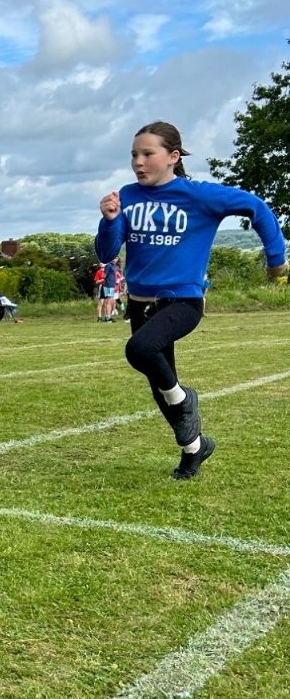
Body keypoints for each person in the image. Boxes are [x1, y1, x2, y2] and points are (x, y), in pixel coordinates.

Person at [96, 119, 286, 480]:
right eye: (134, 154)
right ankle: (195, 450)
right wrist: (108, 220)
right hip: (139, 302)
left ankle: (185, 401)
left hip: (182, 301)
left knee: (140, 351)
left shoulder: (199, 195)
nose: (138, 162)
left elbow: (257, 207)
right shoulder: (127, 196)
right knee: (159, 390)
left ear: (173, 156)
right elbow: (107, 253)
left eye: (147, 154)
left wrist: (276, 259)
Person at [100, 257, 120, 322]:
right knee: (109, 301)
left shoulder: (114, 266)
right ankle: (108, 318)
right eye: (113, 258)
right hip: (108, 285)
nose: (114, 260)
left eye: (116, 258)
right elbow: (103, 276)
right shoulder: (108, 265)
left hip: (112, 285)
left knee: (110, 301)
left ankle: (107, 316)